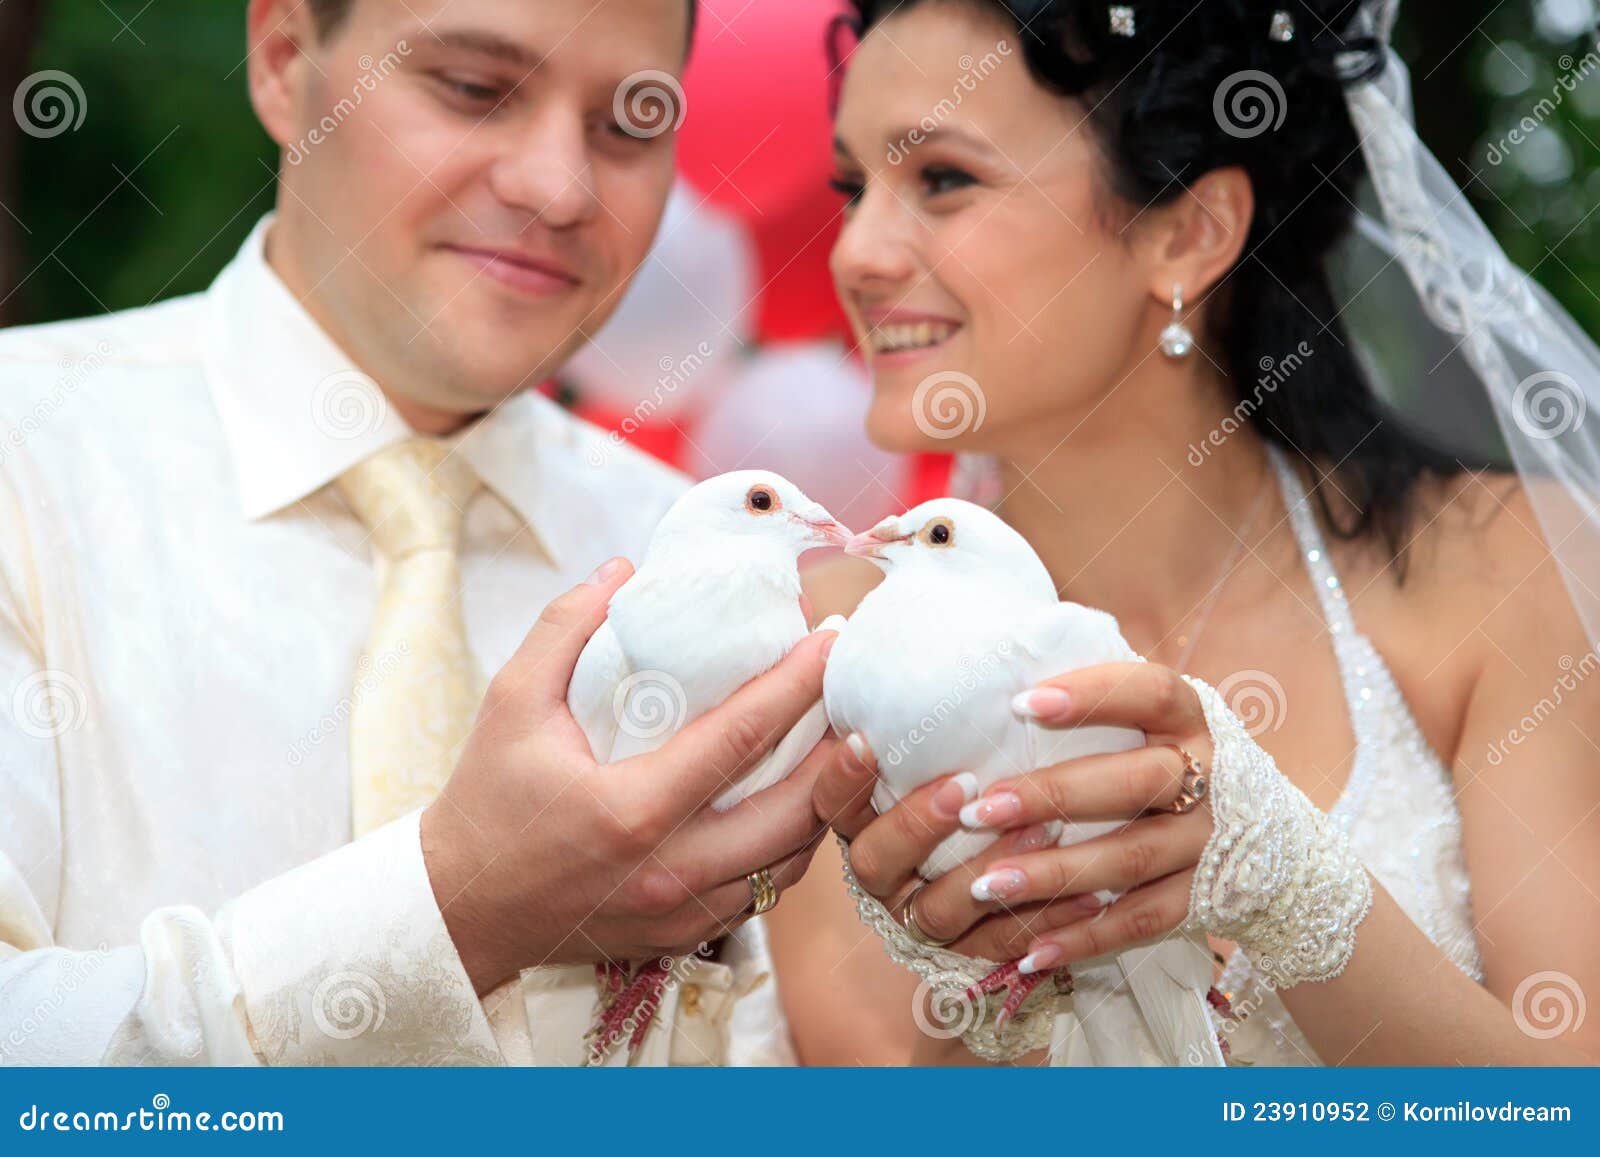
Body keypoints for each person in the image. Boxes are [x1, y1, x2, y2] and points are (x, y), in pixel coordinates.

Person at [0, 0, 835, 1066]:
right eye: (475, 90)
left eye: (629, 124)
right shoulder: (25, 461)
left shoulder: (693, 551)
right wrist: (453, 907)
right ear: (283, 56)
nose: (558, 187)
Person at [770, 0, 1600, 1065]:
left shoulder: (1489, 559)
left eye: (942, 180)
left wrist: (1282, 885)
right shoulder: (823, 639)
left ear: (1187, 232)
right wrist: (974, 972)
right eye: (853, 187)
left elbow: (1562, 1106)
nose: (857, 252)